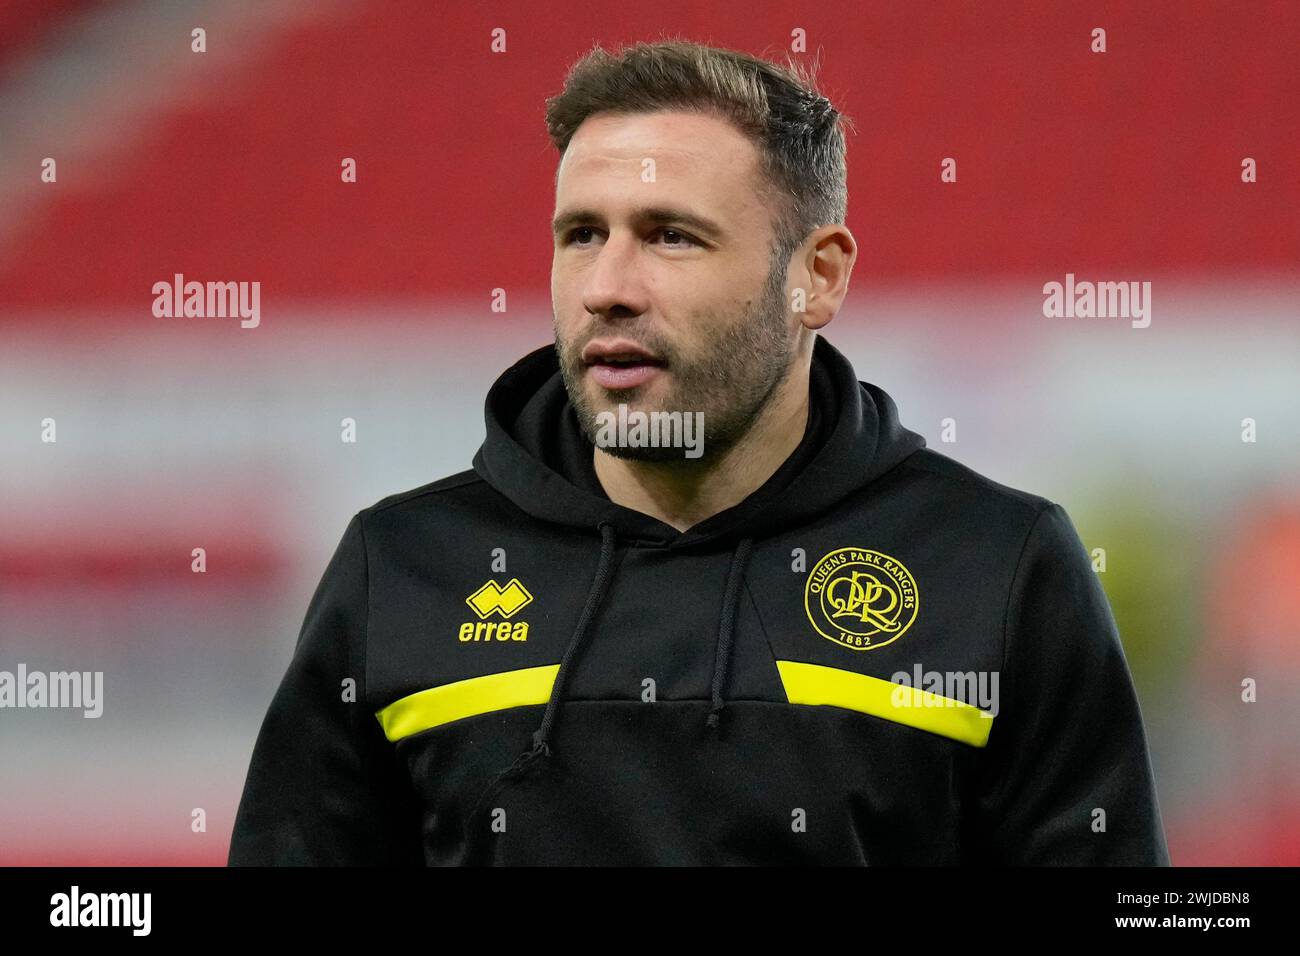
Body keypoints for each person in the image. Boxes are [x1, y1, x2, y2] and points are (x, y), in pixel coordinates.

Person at [228, 39, 1170, 865]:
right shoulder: (401, 569)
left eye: (671, 237)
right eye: (582, 235)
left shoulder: (995, 566)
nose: (607, 287)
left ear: (817, 274)